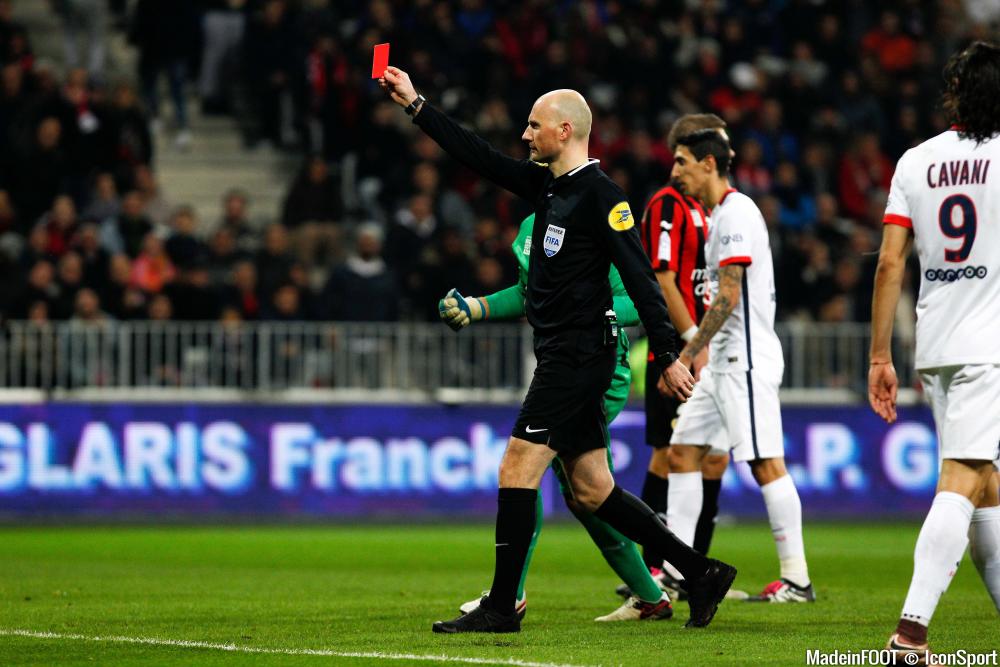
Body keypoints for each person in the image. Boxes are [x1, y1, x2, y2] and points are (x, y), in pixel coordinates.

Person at [380, 65, 736, 633]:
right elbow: (478, 156)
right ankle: (700, 572)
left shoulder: (601, 197)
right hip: (565, 355)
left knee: (517, 466)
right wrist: (415, 104)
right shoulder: (547, 185)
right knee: (594, 487)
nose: (525, 135)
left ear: (565, 130)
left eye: (533, 126)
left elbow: (642, 280)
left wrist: (669, 354)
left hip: (579, 356)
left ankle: (502, 606)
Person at [441, 213, 673, 622]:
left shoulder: (600, 214)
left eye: (533, 140)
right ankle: (658, 592)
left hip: (599, 371)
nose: (528, 143)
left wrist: (581, 309)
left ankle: (508, 596)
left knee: (525, 469)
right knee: (588, 495)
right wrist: (475, 308)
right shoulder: (533, 223)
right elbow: (530, 295)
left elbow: (639, 301)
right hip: (561, 368)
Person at [868, 41, 1000, 659]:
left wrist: (879, 357)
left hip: (937, 346)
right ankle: (910, 632)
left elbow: (891, 260)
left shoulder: (915, 161)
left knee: (987, 488)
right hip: (989, 348)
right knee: (963, 478)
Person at [666, 128, 814, 603]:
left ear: (709, 164)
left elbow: (728, 296)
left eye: (682, 161)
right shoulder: (719, 217)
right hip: (726, 364)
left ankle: (796, 579)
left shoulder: (734, 214)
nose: (675, 172)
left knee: (766, 464)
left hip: (744, 360)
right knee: (682, 451)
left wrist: (687, 354)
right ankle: (678, 568)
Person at [629, 114, 732, 600]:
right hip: (678, 351)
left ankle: (698, 572)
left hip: (711, 350)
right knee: (668, 455)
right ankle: (650, 570)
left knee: (714, 459)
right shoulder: (667, 205)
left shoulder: (716, 210)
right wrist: (692, 344)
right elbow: (663, 278)